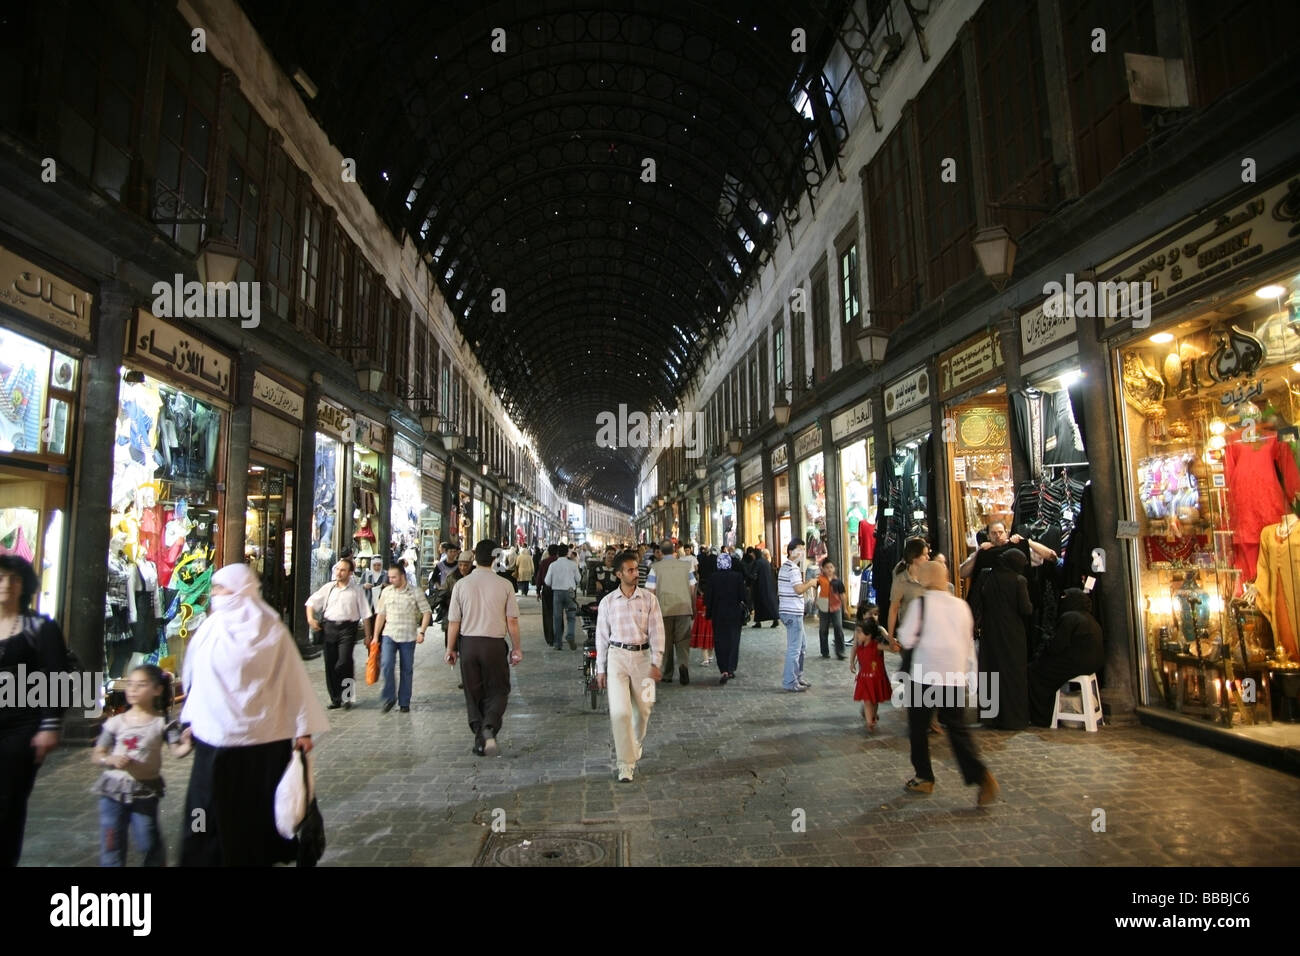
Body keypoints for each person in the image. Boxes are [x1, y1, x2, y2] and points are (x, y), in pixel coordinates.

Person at [179, 562, 330, 865]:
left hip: (264, 740)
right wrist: (189, 720)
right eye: (215, 589)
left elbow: (293, 681)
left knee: (254, 812)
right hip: (215, 739)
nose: (216, 595)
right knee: (206, 811)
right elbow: (194, 679)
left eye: (222, 588)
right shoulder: (210, 628)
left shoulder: (272, 631)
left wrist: (303, 730)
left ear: (241, 590)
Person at [895, 562, 998, 805]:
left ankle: (924, 777)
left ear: (925, 579)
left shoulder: (921, 604)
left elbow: (906, 638)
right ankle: (981, 776)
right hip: (953, 676)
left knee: (918, 728)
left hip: (925, 676)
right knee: (957, 729)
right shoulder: (962, 606)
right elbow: (968, 642)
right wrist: (971, 675)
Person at [0, 555, 68, 865]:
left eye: (13, 579)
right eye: (1, 578)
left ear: (24, 586)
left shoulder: (39, 627)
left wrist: (50, 726)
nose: (6, 585)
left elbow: (57, 678)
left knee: (8, 801)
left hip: (21, 727)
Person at [91, 664, 191, 866]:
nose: (133, 689)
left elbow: (176, 751)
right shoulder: (116, 722)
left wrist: (188, 744)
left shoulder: (163, 723)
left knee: (148, 840)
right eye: (130, 684)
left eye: (141, 685)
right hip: (113, 791)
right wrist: (110, 759)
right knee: (112, 843)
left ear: (157, 689)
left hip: (145, 791)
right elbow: (98, 754)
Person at [444, 540, 523, 756]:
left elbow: (454, 623)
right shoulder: (505, 585)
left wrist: (450, 649)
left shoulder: (462, 585)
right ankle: (489, 726)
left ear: (474, 559)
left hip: (468, 645)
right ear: (496, 558)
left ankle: (479, 735)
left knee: (473, 692)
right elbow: (512, 622)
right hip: (494, 646)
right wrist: (516, 648)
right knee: (498, 689)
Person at [595, 550, 664, 782]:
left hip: (643, 659)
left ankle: (634, 744)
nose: (636, 574)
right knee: (620, 712)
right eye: (630, 570)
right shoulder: (608, 602)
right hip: (617, 658)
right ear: (619, 574)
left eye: (636, 569)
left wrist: (657, 661)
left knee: (644, 709)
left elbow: (657, 632)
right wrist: (601, 668)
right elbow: (602, 636)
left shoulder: (649, 600)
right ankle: (625, 764)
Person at [970, 548, 1033, 730]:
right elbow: (1026, 608)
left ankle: (991, 716)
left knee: (991, 670)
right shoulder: (1019, 580)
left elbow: (976, 602)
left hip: (991, 631)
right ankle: (1013, 718)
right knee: (1012, 672)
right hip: (1013, 633)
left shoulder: (986, 575)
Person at [305, 558, 374, 709]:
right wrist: (310, 619)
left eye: (343, 570)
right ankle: (335, 698)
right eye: (337, 569)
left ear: (350, 573)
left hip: (348, 629)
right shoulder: (328, 588)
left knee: (344, 662)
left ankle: (347, 696)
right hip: (329, 628)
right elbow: (311, 603)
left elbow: (366, 614)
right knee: (330, 663)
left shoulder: (357, 590)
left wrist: (368, 636)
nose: (339, 572)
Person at [1029, 588, 1104, 727]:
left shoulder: (1070, 617)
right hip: (1092, 663)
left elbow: (1056, 646)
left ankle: (1042, 717)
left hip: (1076, 663)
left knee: (1035, 672)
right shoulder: (1089, 618)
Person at [374, 564, 432, 714]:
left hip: (408, 636)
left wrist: (422, 631)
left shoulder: (415, 592)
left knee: (406, 669)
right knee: (386, 665)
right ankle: (389, 697)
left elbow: (426, 612)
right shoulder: (386, 592)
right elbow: (381, 615)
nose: (391, 580)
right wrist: (375, 636)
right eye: (390, 577)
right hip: (389, 634)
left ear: (403, 576)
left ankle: (404, 701)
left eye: (394, 577)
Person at [646, 540, 696, 685]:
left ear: (660, 551)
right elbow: (693, 588)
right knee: (683, 640)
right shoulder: (686, 566)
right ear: (674, 549)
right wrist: (692, 606)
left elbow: (651, 590)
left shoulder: (655, 568)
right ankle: (683, 665)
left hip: (664, 609)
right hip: (684, 607)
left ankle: (667, 673)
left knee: (666, 642)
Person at [777, 539, 819, 692]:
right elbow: (798, 589)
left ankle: (797, 676)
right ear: (790, 551)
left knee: (801, 646)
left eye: (803, 549)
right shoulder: (792, 569)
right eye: (799, 549)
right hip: (792, 612)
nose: (801, 552)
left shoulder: (785, 567)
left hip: (789, 611)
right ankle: (790, 681)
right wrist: (811, 583)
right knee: (795, 648)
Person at [705, 551, 748, 684]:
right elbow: (743, 596)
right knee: (733, 641)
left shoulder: (713, 578)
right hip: (734, 615)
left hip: (718, 615)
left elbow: (708, 599)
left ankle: (723, 669)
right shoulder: (737, 577)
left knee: (720, 641)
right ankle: (730, 669)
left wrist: (709, 613)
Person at [849, 601, 892, 733]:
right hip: (866, 667)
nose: (874, 616)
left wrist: (893, 641)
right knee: (869, 690)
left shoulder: (878, 629)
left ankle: (871, 712)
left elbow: (888, 638)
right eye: (871, 614)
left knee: (876, 693)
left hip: (878, 667)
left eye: (876, 614)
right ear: (863, 615)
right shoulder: (860, 630)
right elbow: (855, 646)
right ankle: (869, 712)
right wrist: (852, 661)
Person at [545, 543, 583, 650]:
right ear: (567, 552)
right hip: (570, 593)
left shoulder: (553, 565)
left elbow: (547, 581)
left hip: (557, 593)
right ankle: (570, 636)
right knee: (571, 617)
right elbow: (579, 579)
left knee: (557, 618)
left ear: (557, 553)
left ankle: (558, 643)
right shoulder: (572, 564)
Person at [816, 557, 848, 659]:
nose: (829, 569)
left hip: (836, 605)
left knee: (838, 627)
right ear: (823, 569)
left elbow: (842, 595)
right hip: (823, 604)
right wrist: (815, 599)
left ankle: (841, 651)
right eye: (827, 567)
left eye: (831, 567)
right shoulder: (819, 579)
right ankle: (824, 651)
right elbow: (814, 588)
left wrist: (845, 608)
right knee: (823, 629)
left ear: (834, 569)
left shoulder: (837, 581)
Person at [750, 547, 780, 628]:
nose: (751, 555)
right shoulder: (765, 562)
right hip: (769, 585)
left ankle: (758, 621)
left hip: (759, 586)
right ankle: (775, 619)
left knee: (759, 604)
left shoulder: (757, 562)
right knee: (769, 603)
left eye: (753, 554)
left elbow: (753, 574)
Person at [537, 544, 559, 648]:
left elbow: (539, 577)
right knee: (558, 614)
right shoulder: (560, 563)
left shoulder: (544, 562)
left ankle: (549, 638)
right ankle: (558, 637)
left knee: (547, 614)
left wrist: (538, 590)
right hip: (559, 589)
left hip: (547, 590)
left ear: (549, 552)